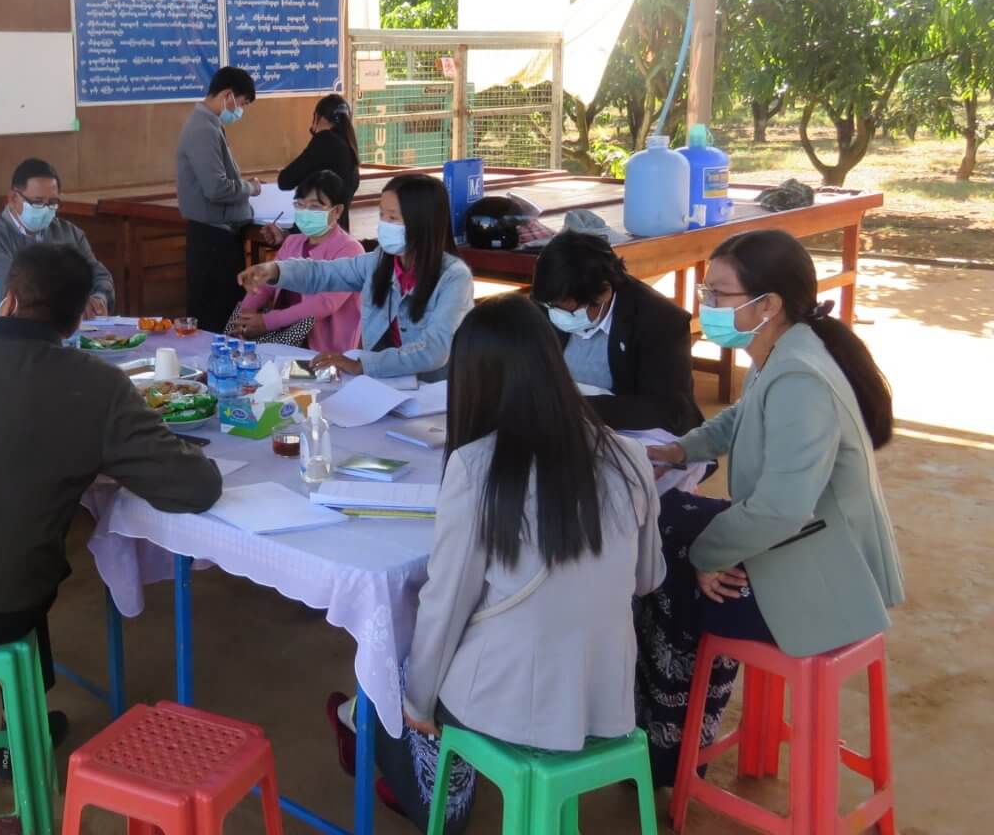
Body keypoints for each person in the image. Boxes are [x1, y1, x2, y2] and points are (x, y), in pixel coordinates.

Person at [0, 243, 221, 777]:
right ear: (80, 319)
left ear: (8, 300)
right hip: (3, 605)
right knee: (13, 551)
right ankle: (20, 732)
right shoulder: (96, 384)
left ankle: (21, 722)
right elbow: (194, 488)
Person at [367, 294, 661, 833]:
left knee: (383, 672)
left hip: (505, 704)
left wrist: (418, 703)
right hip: (602, 699)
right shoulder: (631, 456)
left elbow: (446, 604)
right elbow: (646, 579)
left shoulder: (475, 466)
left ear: (473, 382)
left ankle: (433, 801)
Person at [638, 229, 904, 784]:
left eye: (718, 294)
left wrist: (707, 556)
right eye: (706, 292)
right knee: (664, 520)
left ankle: (671, 751)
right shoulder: (784, 348)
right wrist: (682, 449)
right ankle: (672, 737)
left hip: (823, 579)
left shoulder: (800, 378)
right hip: (806, 545)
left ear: (768, 304)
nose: (706, 305)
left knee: (662, 571)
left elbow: (782, 509)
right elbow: (743, 417)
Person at [239, 173, 471, 381]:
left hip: (432, 390)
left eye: (392, 218)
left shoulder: (454, 278)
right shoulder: (379, 262)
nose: (384, 225)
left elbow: (433, 350)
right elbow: (324, 273)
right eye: (382, 215)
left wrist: (362, 365)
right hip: (380, 382)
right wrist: (275, 270)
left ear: (423, 222)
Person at [530, 230, 703, 435]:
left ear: (604, 292)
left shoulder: (659, 320)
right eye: (551, 306)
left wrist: (574, 409)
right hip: (561, 425)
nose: (556, 314)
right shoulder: (547, 302)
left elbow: (668, 410)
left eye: (569, 310)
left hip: (630, 432)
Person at [176, 66, 283, 333]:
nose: (241, 111)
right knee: (214, 320)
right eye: (242, 103)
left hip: (220, 236)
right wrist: (251, 188)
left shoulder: (211, 125)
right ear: (227, 95)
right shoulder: (203, 128)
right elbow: (216, 188)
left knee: (223, 316)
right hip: (211, 240)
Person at [228, 170, 363, 353]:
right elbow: (266, 284)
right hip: (280, 335)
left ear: (337, 210)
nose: (306, 212)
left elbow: (324, 304)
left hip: (323, 349)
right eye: (300, 205)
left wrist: (268, 322)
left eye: (315, 206)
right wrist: (246, 315)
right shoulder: (292, 242)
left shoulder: (349, 249)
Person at [0, 158, 116, 319]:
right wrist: (74, 303)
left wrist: (100, 299)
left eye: (52, 203)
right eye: (37, 203)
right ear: (13, 198)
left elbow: (99, 276)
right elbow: (18, 292)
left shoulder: (69, 233)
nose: (45, 210)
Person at [277, 94, 361, 230]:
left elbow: (285, 180)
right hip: (338, 232)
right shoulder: (349, 146)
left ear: (318, 116)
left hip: (317, 231)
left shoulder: (325, 140)